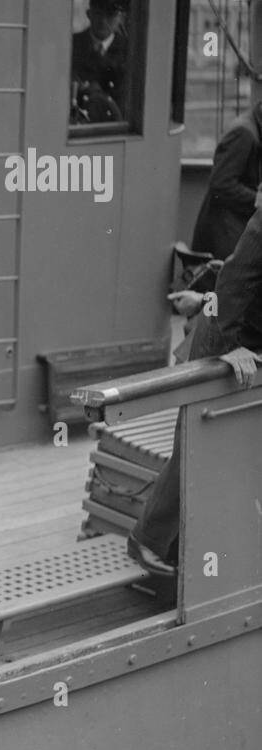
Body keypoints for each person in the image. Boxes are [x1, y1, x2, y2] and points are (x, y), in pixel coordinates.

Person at [128, 207, 262, 577]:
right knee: (195, 444)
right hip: (228, 339)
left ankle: (185, 545)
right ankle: (148, 540)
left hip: (255, 345)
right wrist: (229, 347)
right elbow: (234, 282)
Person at [190, 100, 262, 263]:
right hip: (224, 233)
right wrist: (257, 199)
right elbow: (221, 183)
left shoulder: (252, 128)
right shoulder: (244, 133)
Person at [70, 0, 129, 124]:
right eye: (98, 14)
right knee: (32, 146)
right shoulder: (72, 45)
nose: (103, 21)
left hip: (116, 130)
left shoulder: (131, 51)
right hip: (77, 128)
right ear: (89, 14)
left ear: (120, 18)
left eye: (110, 15)